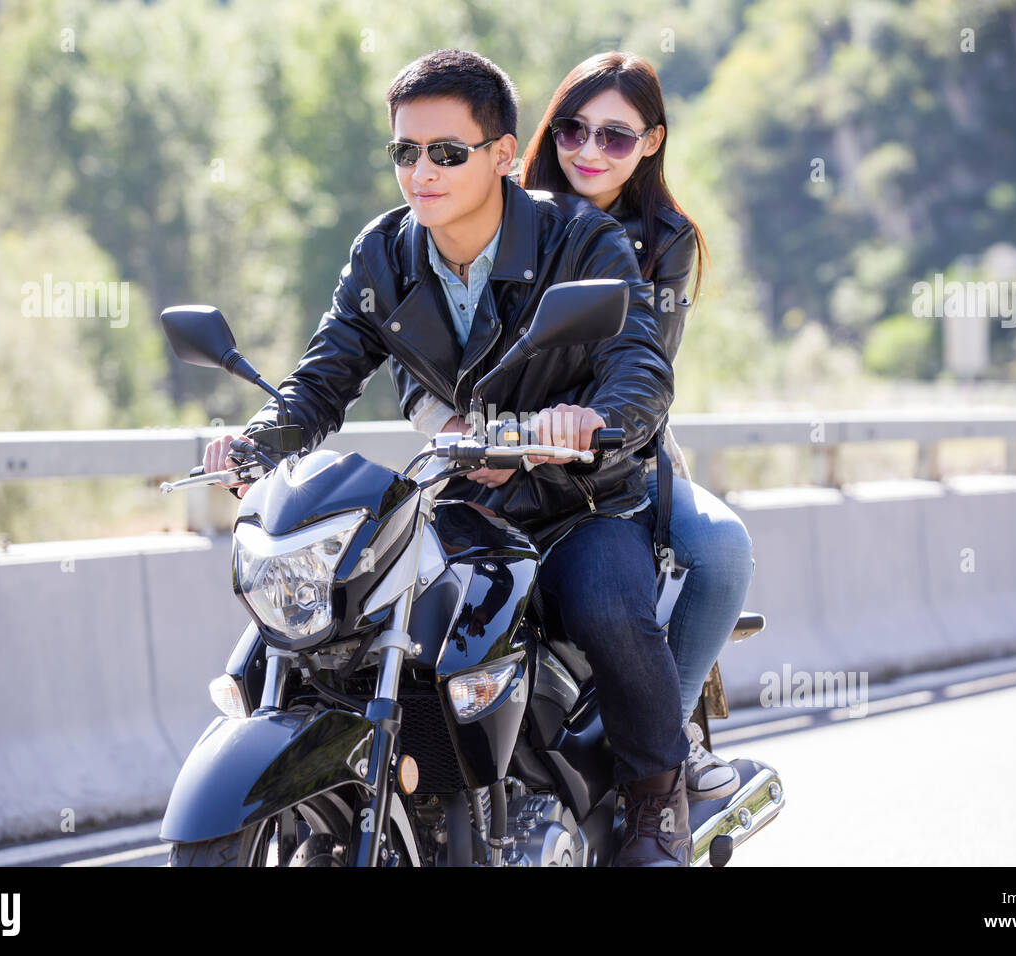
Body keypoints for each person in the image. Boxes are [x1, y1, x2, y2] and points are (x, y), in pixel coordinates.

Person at [203, 49, 692, 865]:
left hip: (582, 502)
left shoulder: (583, 240)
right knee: (327, 623)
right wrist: (259, 440)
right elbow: (324, 377)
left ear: (502, 155)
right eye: (405, 151)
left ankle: (655, 803)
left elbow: (641, 367)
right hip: (466, 500)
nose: (420, 172)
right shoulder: (383, 254)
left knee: (608, 604)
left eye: (446, 152)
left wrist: (589, 421)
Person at [398, 51, 756, 803]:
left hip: (609, 451)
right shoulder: (496, 208)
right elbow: (414, 344)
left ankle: (669, 733)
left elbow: (638, 371)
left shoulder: (662, 236)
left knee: (720, 547)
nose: (590, 151)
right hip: (485, 449)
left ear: (652, 143)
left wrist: (553, 434)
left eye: (616, 138)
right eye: (573, 130)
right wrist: (463, 425)